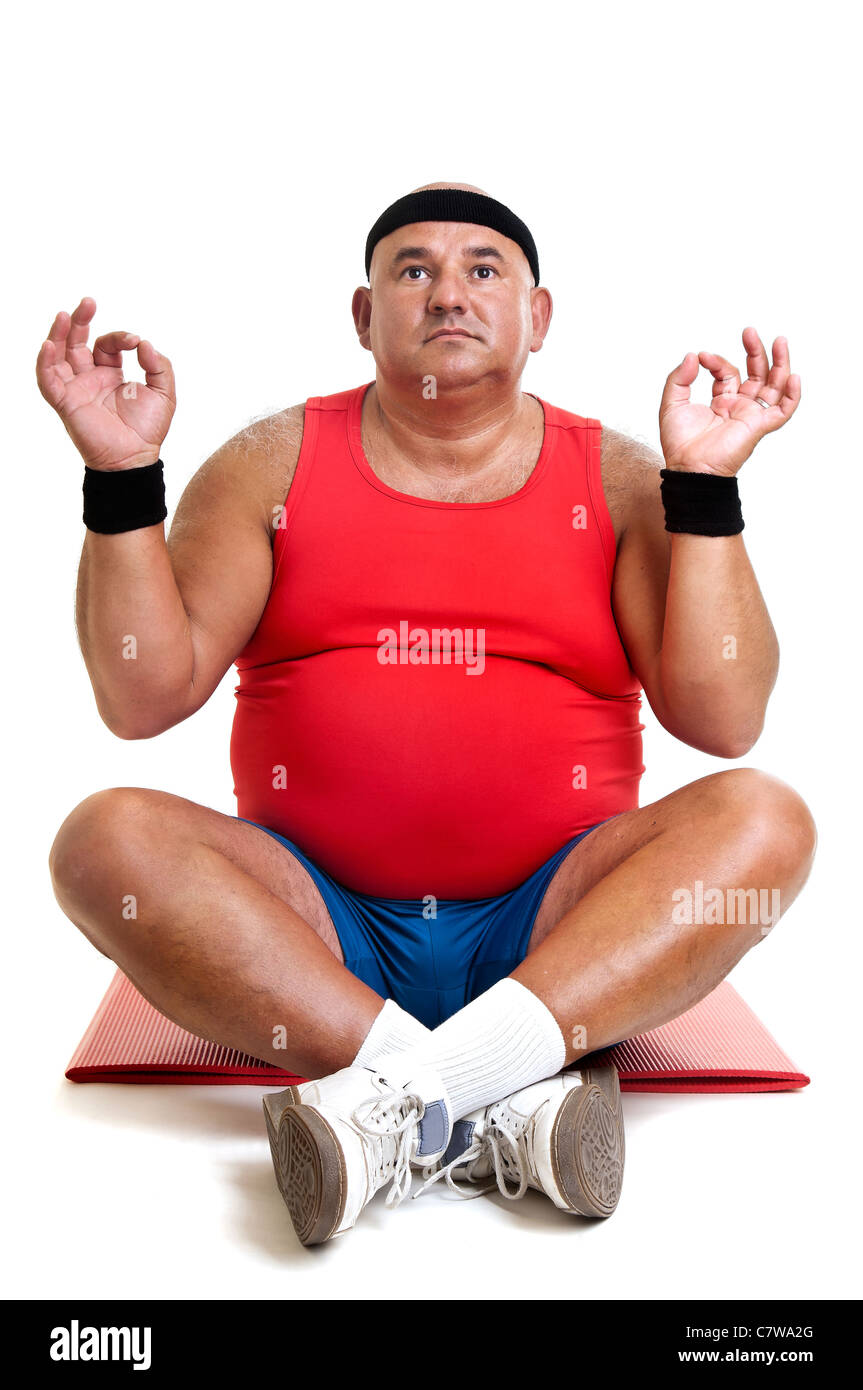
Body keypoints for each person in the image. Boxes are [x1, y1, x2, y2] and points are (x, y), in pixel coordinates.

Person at [39, 182, 816, 1247]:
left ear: (537, 316)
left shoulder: (626, 478)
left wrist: (707, 489)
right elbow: (138, 698)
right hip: (314, 933)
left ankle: (395, 1103)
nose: (447, 292)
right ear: (363, 316)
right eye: (412, 269)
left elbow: (723, 721)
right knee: (99, 840)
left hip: (558, 926)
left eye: (482, 269)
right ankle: (506, 1099)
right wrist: (120, 476)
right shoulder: (272, 462)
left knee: (766, 820)